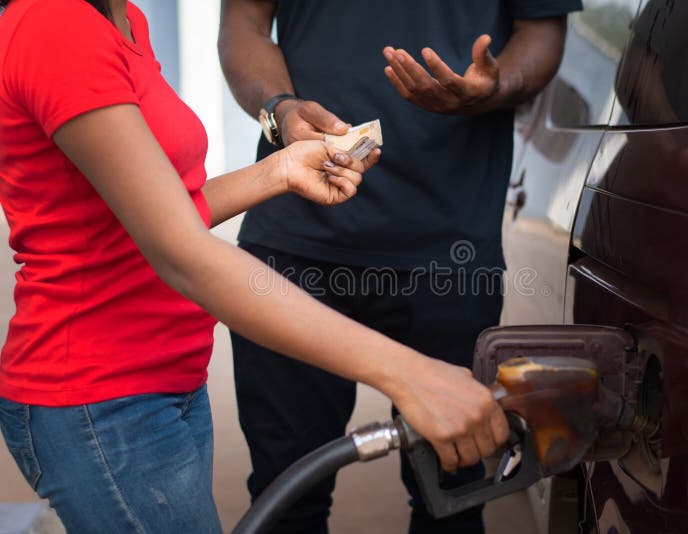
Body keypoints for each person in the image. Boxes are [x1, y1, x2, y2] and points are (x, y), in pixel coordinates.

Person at [0, 0, 510, 532]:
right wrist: (410, 373)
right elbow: (180, 250)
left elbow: (159, 210)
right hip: (99, 397)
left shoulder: (122, 17)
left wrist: (280, 171)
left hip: (163, 382)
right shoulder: (56, 22)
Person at [218, 1, 581, 532]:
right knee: (286, 495)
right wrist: (280, 107)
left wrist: (496, 88)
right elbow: (244, 20)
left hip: (450, 253)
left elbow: (542, 29)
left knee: (455, 497)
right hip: (295, 242)